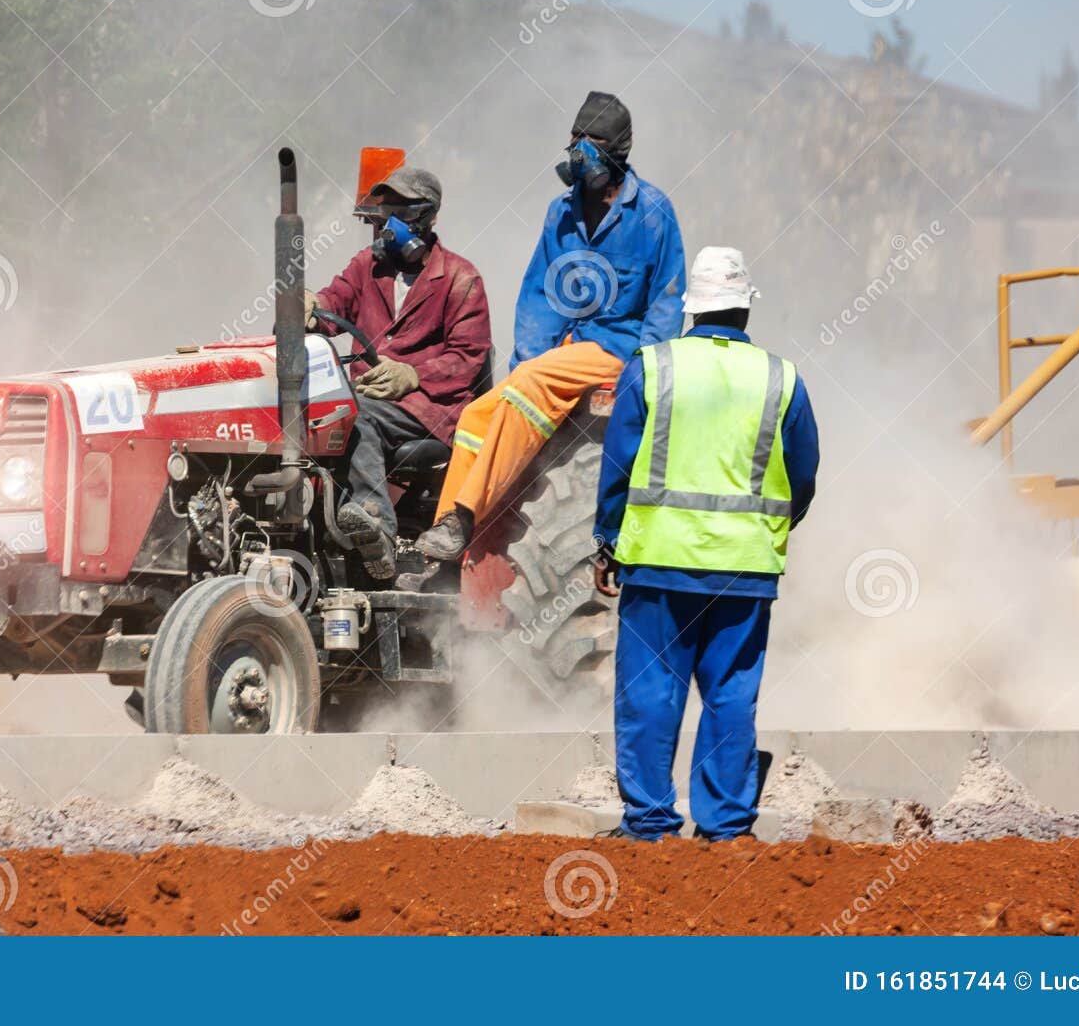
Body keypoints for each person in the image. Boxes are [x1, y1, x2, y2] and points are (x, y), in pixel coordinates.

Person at [592, 246, 819, 842]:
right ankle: (724, 828)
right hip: (744, 572)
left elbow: (617, 464)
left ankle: (649, 824)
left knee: (650, 697)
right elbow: (804, 475)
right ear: (745, 309)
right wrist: (763, 531)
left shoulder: (652, 367)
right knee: (730, 697)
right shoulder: (781, 378)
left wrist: (607, 541)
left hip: (659, 565)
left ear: (691, 309)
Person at [415, 91, 685, 560]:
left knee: (533, 382)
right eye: (575, 140)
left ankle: (464, 515)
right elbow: (540, 297)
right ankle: (450, 541)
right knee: (480, 412)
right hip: (568, 351)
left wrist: (647, 374)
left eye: (592, 142)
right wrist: (523, 364)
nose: (579, 152)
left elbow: (665, 299)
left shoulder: (654, 213)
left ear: (618, 150)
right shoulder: (562, 212)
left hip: (619, 350)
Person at [307, 164, 492, 579]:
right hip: (372, 398)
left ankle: (377, 528)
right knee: (313, 414)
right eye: (385, 211)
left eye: (402, 212)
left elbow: (469, 358)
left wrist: (413, 374)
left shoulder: (461, 279)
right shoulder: (366, 267)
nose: (388, 223)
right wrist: (309, 306)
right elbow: (334, 304)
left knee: (353, 413)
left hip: (429, 409)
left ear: (428, 218)